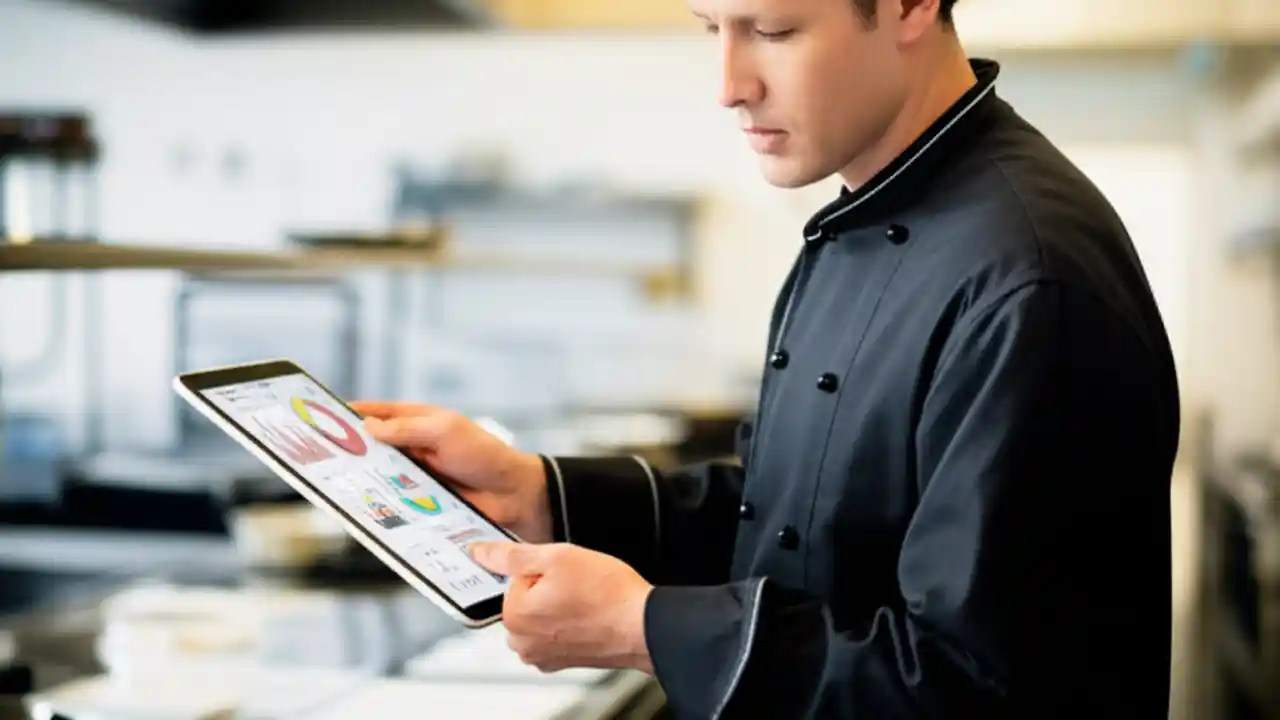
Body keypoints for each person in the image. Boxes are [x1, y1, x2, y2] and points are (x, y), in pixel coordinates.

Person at [353, 0, 1182, 715]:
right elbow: (789, 522)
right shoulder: (864, 212)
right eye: (712, 26)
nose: (728, 84)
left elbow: (979, 692)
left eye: (774, 29)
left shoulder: (1028, 279)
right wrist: (538, 491)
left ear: (910, 5)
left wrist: (645, 629)